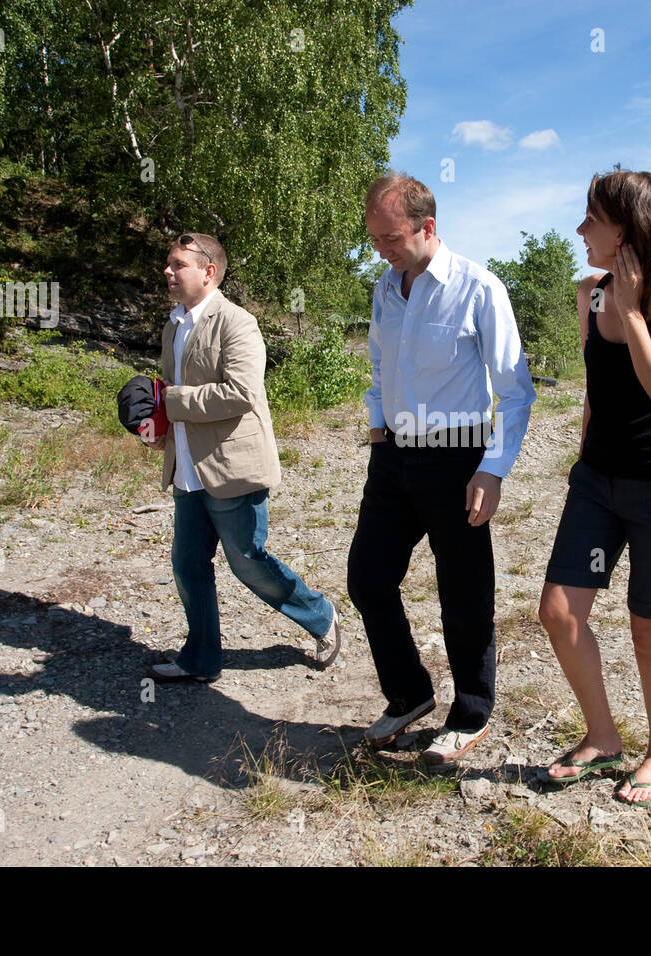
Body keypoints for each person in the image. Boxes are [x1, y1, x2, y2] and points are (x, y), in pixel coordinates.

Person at [348, 172, 536, 764]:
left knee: (463, 589)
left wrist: (493, 469)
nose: (381, 250)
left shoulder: (479, 289)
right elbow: (379, 362)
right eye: (374, 239)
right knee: (368, 578)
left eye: (391, 238)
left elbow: (516, 390)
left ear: (428, 227)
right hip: (394, 457)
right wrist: (378, 420)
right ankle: (407, 695)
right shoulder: (386, 288)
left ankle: (473, 711)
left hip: (459, 457)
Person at [538, 168, 651, 804]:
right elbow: (596, 387)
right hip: (597, 481)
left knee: (648, 626)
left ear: (628, 229)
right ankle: (602, 736)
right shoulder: (589, 293)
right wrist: (582, 456)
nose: (580, 229)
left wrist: (634, 314)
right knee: (559, 611)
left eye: (592, 219)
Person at [141, 232, 340, 682]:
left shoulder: (237, 322)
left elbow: (242, 392)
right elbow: (174, 394)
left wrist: (171, 402)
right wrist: (160, 426)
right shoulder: (173, 324)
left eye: (178, 265)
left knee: (247, 561)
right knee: (188, 565)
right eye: (168, 264)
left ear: (209, 272)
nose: (168, 272)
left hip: (233, 469)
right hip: (187, 469)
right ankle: (201, 659)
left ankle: (321, 615)